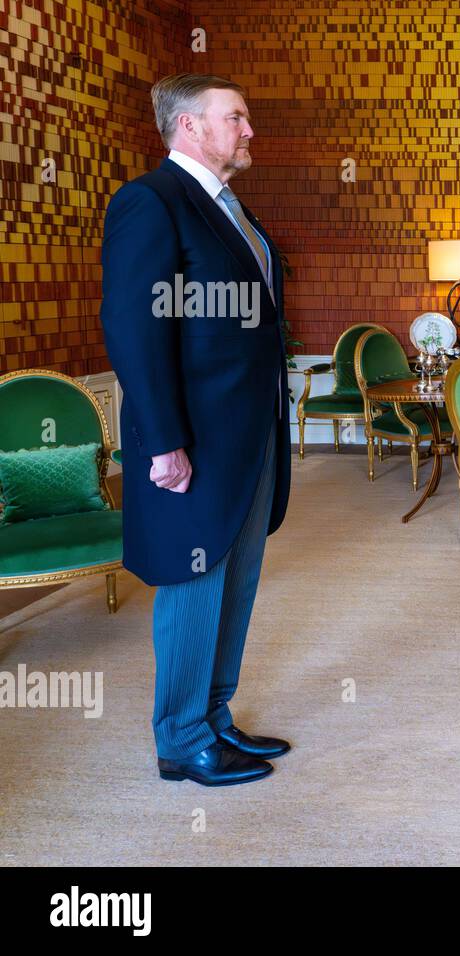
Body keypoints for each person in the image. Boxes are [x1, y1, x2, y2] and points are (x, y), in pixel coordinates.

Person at [99, 74, 292, 786]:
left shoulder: (231, 209)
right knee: (192, 580)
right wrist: (162, 441)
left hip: (252, 434)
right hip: (194, 442)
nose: (248, 129)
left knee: (235, 580)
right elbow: (132, 327)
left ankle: (214, 716)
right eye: (235, 117)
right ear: (189, 127)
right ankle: (181, 741)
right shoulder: (151, 203)